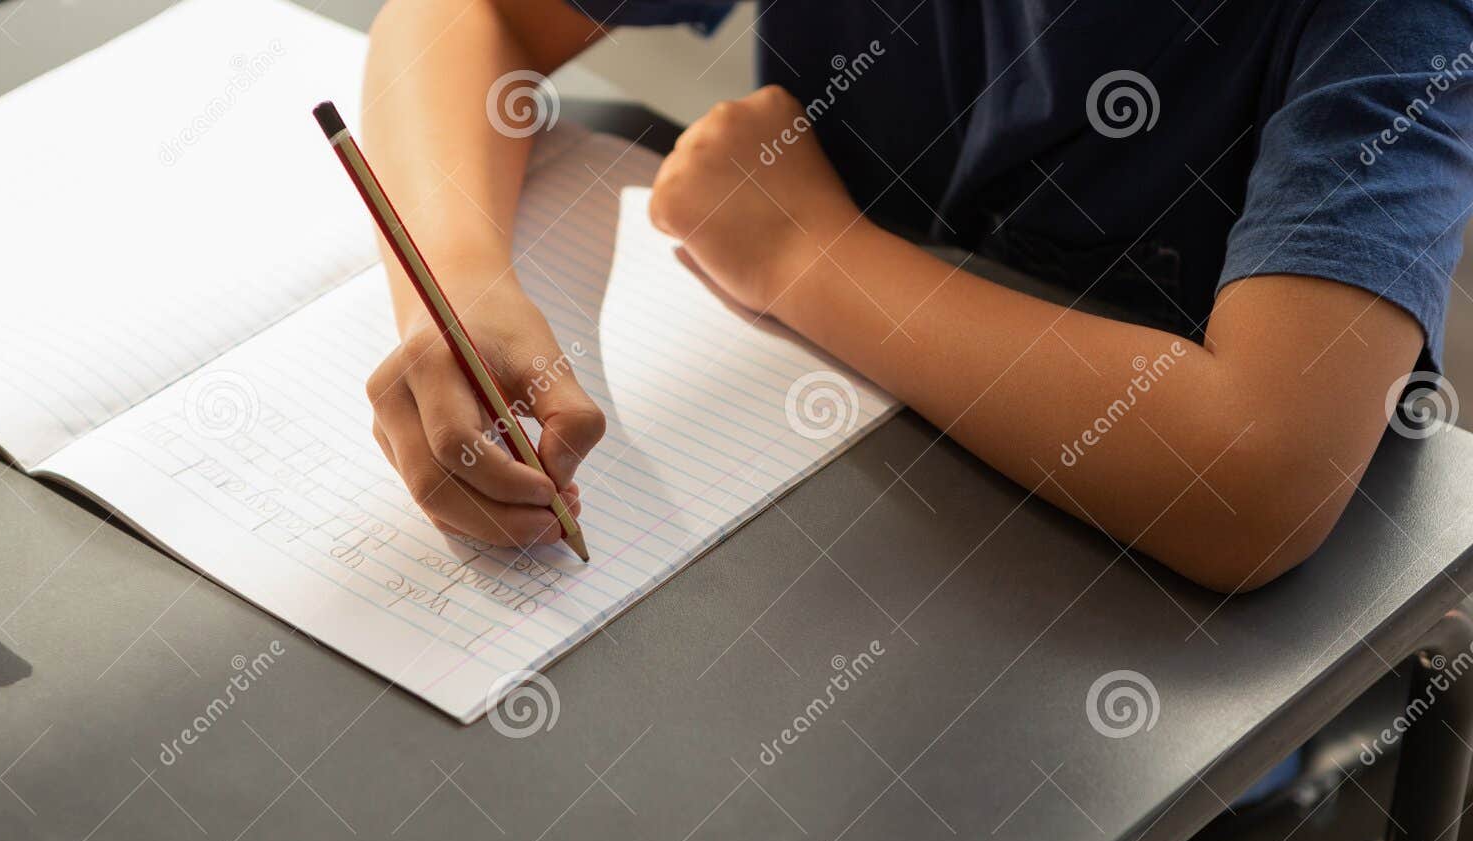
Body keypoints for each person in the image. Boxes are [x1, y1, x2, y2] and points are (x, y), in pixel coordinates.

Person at [359, 0, 1473, 593]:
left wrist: (808, 253)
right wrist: (449, 280)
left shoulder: (1394, 28)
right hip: (806, 542)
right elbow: (474, 15)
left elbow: (1254, 474)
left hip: (1114, 646)